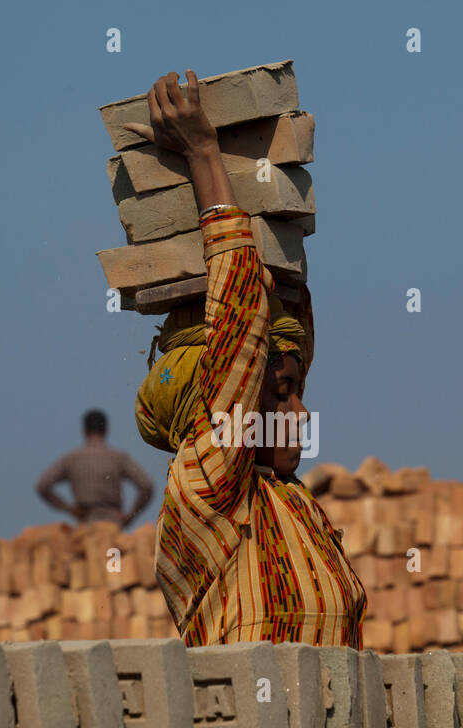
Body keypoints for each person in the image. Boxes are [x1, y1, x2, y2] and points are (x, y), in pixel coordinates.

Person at [125, 70, 366, 647]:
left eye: (297, 391)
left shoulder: (291, 500)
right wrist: (205, 157)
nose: (303, 414)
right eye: (282, 395)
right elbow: (241, 329)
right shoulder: (206, 488)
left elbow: (275, 330)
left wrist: (281, 239)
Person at [34, 409, 153, 528]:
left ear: (84, 431)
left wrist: (70, 509)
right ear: (106, 430)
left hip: (85, 523)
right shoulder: (119, 457)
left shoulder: (71, 459)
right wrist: (130, 516)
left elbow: (42, 485)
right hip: (113, 524)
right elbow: (147, 486)